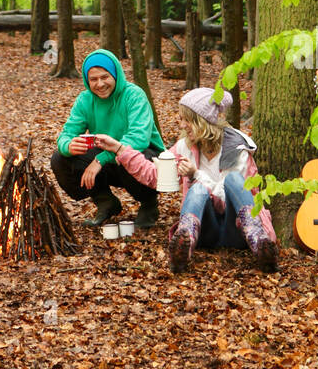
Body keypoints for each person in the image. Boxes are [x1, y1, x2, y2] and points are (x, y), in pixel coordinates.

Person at [95, 87, 278, 272]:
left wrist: (195, 175)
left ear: (202, 121)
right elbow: (154, 176)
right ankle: (184, 243)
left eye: (186, 120)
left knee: (234, 180)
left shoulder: (237, 148)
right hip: (205, 232)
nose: (182, 125)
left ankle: (260, 244)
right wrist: (119, 149)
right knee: (197, 190)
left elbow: (226, 200)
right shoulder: (185, 147)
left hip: (240, 230)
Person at [50, 48, 165, 229]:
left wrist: (100, 159)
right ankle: (106, 202)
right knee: (60, 158)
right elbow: (66, 134)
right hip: (109, 161)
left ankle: (149, 203)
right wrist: (68, 146)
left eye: (105, 77)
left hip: (146, 159)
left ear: (115, 74)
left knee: (128, 155)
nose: (100, 84)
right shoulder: (85, 100)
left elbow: (139, 139)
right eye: (93, 79)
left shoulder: (134, 95)